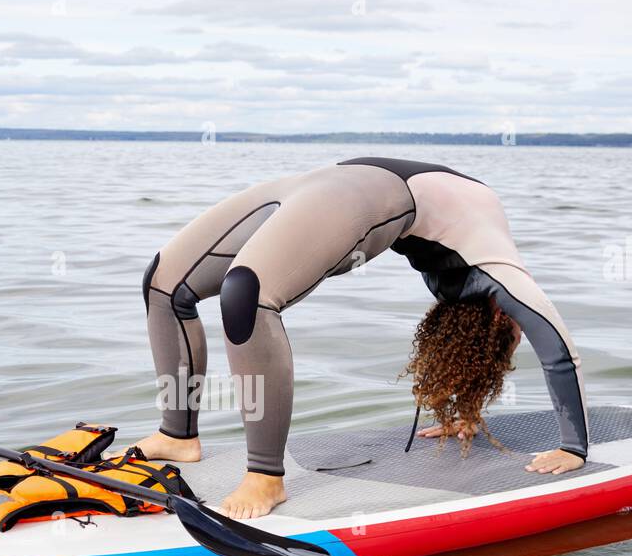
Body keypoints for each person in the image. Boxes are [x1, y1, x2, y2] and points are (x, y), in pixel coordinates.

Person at [135, 157, 588, 519]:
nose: (513, 331)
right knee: (164, 283)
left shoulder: (494, 277)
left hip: (362, 192)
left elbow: (553, 348)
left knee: (246, 294)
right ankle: (177, 435)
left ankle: (266, 477)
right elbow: (553, 348)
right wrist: (482, 414)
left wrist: (573, 450)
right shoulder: (491, 278)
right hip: (331, 183)